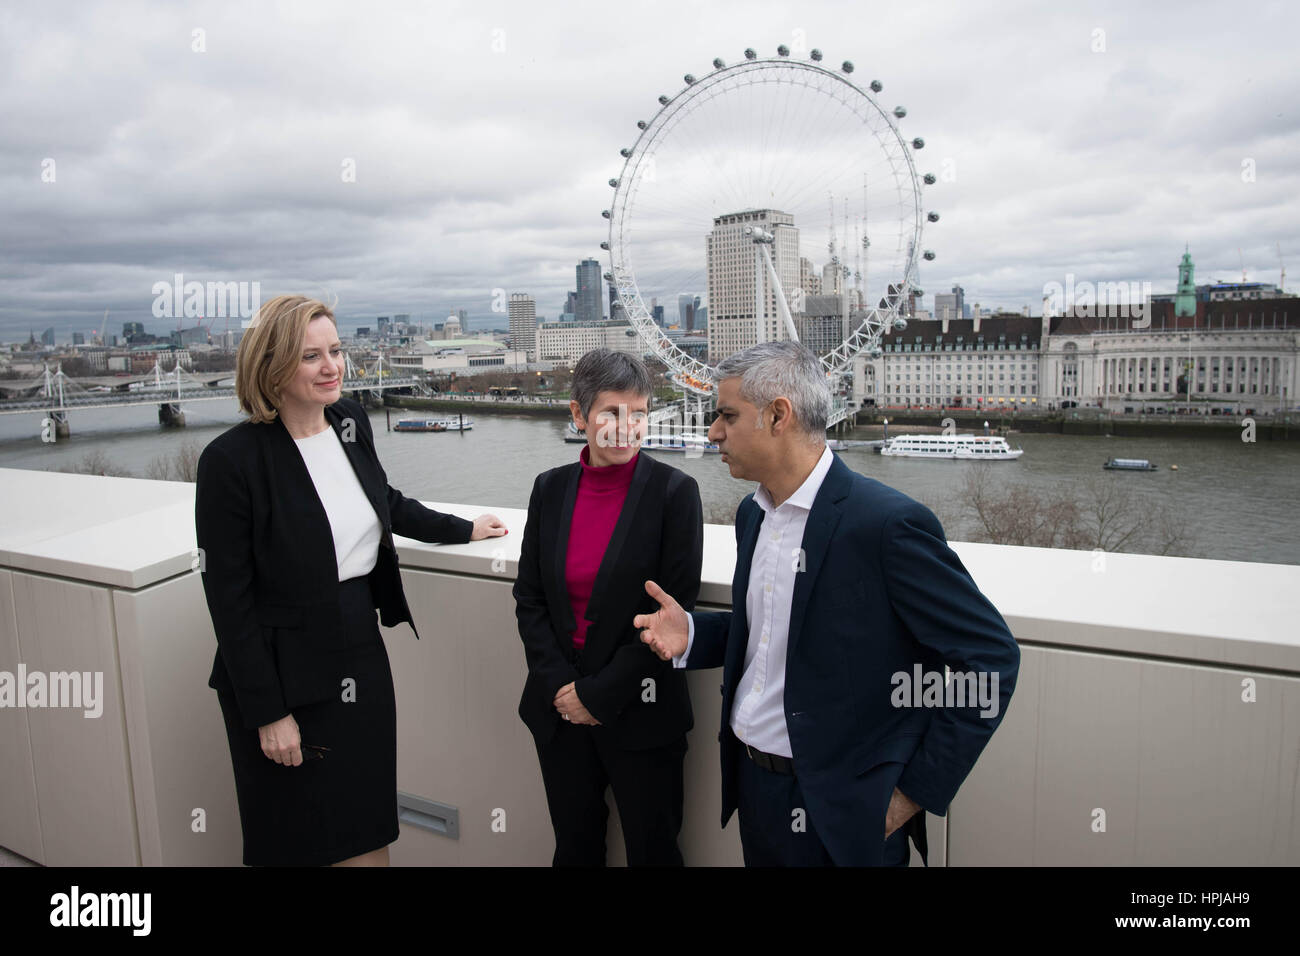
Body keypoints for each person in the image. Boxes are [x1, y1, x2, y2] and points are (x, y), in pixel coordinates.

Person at [637, 341, 1019, 867]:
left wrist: (910, 794)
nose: (712, 433)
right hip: (756, 792)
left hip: (845, 813)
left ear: (778, 415)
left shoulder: (885, 524)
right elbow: (783, 633)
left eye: (726, 415)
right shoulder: (755, 516)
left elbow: (991, 661)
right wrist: (695, 636)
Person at [195, 294, 506, 867]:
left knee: (365, 828)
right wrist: (268, 713)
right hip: (279, 671)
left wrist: (463, 529)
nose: (332, 366)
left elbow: (380, 501)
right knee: (294, 837)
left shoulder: (349, 422)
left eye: (335, 350)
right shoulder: (231, 460)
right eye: (310, 356)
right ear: (271, 368)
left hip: (357, 653)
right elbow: (228, 601)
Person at [513, 348, 703, 865]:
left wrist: (597, 694)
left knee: (654, 851)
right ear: (578, 415)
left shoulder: (675, 494)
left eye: (639, 413)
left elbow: (672, 614)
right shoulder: (549, 489)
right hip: (560, 714)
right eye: (611, 413)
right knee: (574, 849)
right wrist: (560, 688)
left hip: (641, 710)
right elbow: (529, 597)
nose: (627, 428)